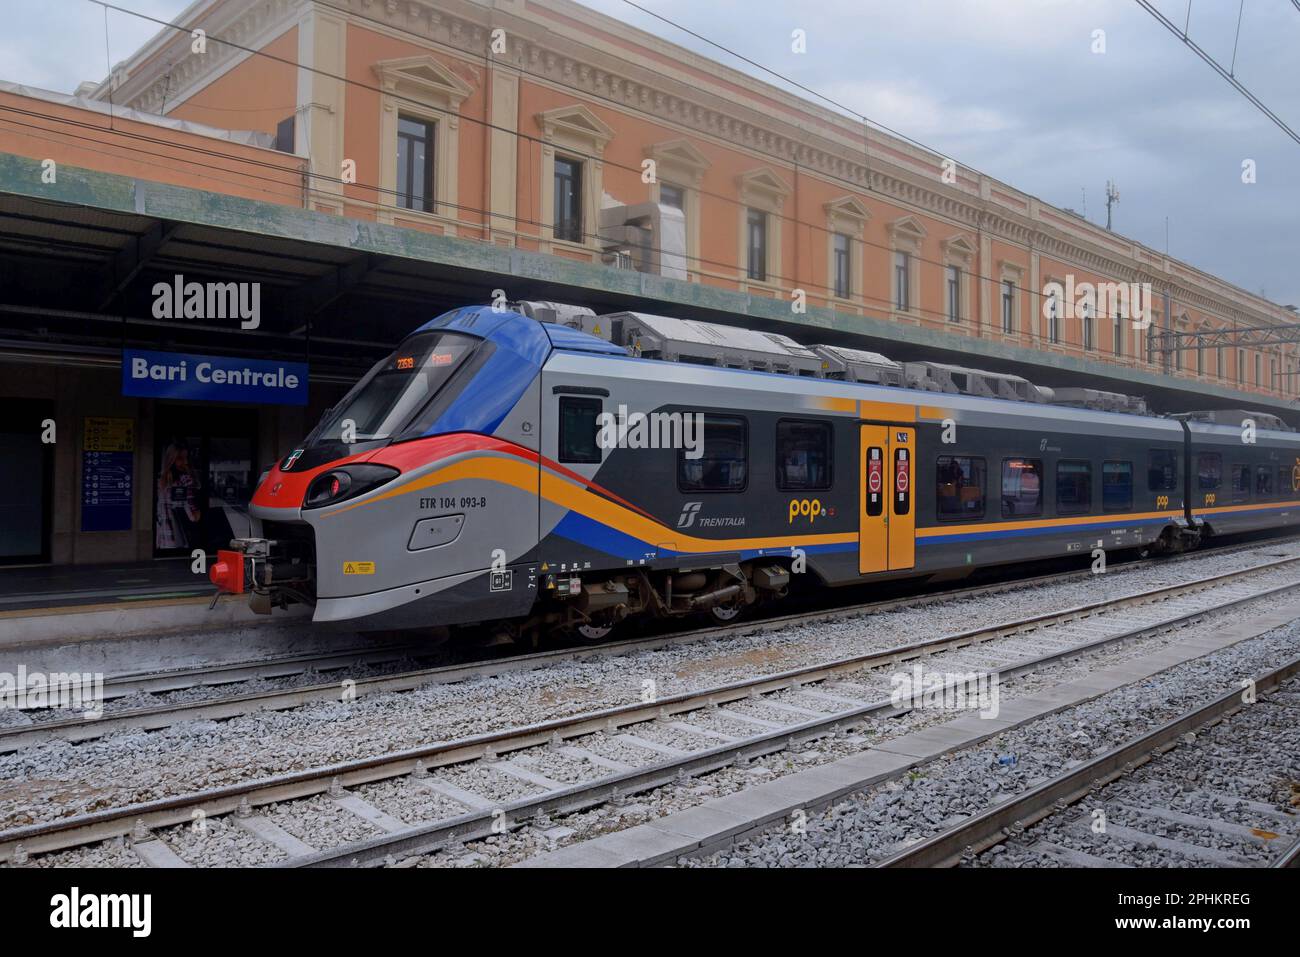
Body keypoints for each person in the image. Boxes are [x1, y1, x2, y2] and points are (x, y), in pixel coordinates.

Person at [156, 440, 202, 550]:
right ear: (171, 460)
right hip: (181, 542)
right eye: (180, 458)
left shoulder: (160, 482)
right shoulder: (186, 480)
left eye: (186, 458)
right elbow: (193, 517)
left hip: (163, 541)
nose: (185, 462)